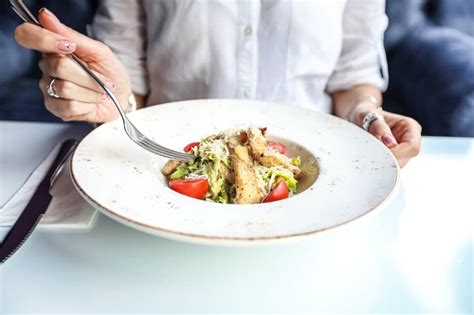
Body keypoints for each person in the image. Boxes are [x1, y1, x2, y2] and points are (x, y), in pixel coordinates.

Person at [14, 0, 421, 167]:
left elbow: (354, 77)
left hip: (311, 168)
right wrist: (109, 98)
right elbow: (128, 84)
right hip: (167, 165)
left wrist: (367, 115)